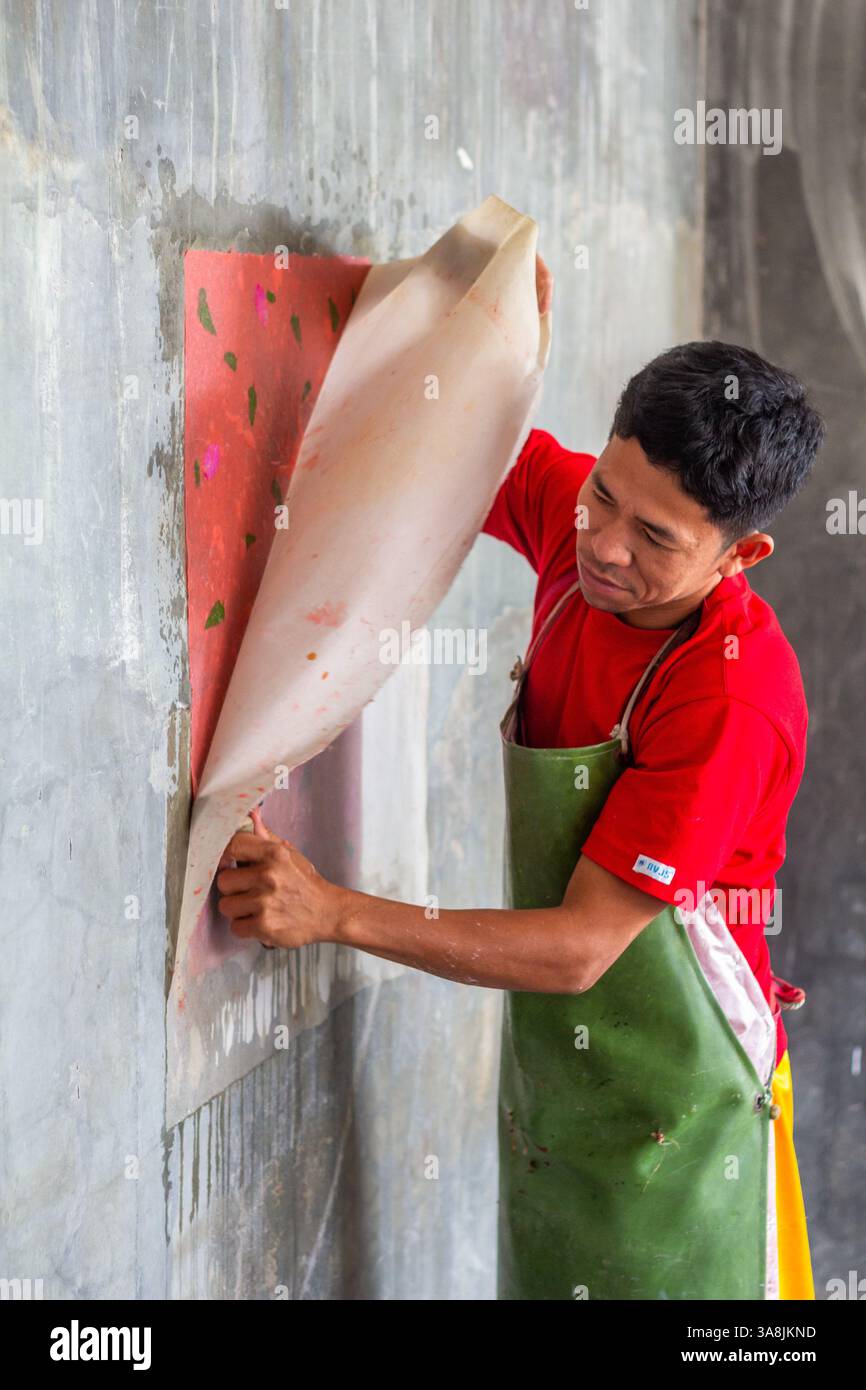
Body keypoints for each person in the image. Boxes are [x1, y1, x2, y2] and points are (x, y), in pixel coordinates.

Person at [215, 257, 824, 1300]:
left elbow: (584, 948)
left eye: (654, 539)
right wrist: (481, 342)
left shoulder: (728, 697)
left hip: (681, 1109)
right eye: (603, 495)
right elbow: (456, 440)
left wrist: (331, 909)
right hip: (563, 1080)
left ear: (739, 556)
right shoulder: (571, 521)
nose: (602, 546)